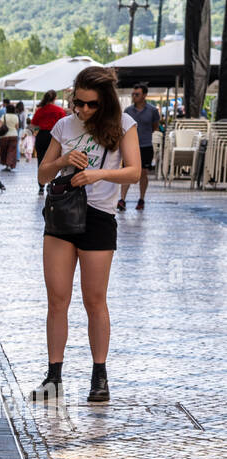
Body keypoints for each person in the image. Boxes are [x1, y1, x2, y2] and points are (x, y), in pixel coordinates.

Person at [33, 67, 140, 404]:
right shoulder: (64, 125)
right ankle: (54, 376)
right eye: (78, 102)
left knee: (94, 300)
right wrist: (64, 158)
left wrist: (98, 174)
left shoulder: (123, 124)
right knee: (57, 299)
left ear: (104, 101)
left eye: (91, 104)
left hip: (99, 219)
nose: (83, 110)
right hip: (63, 217)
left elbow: (134, 171)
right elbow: (41, 174)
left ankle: (99, 375)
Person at [118, 83, 161, 211]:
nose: (134, 96)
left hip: (146, 145)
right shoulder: (128, 111)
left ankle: (141, 199)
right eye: (133, 94)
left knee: (143, 173)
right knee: (126, 172)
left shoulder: (153, 110)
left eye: (137, 94)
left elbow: (155, 126)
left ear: (144, 95)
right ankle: (122, 199)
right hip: (130, 146)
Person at [30, 91, 67, 194]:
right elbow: (64, 123)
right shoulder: (59, 110)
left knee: (41, 160)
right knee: (53, 160)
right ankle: (51, 183)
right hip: (54, 136)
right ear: (54, 98)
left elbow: (33, 125)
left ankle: (41, 185)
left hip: (42, 135)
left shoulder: (40, 110)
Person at [0, 100, 20, 169]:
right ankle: (10, 164)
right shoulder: (15, 117)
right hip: (14, 135)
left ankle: (6, 165)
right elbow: (17, 127)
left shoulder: (4, 116)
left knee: (4, 150)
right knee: (12, 150)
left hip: (4, 136)